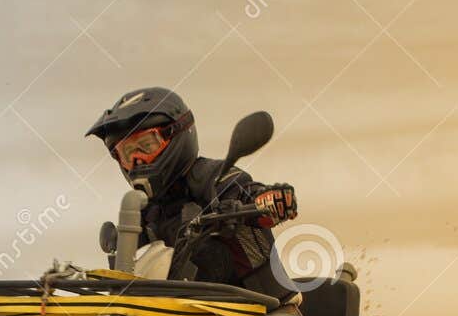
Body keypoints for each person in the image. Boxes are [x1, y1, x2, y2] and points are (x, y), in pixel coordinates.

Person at [86, 87, 299, 301]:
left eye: (146, 145)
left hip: (266, 311)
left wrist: (269, 200)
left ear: (177, 134)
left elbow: (247, 194)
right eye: (127, 153)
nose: (137, 161)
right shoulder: (146, 212)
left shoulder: (215, 178)